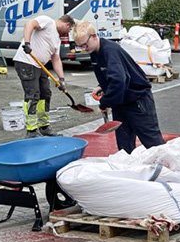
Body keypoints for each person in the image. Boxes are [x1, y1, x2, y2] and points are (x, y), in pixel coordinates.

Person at [72, 21, 165, 154]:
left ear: (93, 36)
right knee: (124, 144)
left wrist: (105, 103)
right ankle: (128, 169)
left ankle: (167, 169)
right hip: (121, 102)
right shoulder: (94, 52)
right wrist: (102, 87)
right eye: (80, 46)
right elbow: (111, 75)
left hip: (137, 100)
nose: (84, 48)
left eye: (85, 45)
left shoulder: (110, 50)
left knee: (152, 141)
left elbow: (119, 80)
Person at [14, 14, 75, 138]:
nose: (67, 33)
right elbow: (30, 24)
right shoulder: (48, 22)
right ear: (67, 24)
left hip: (39, 65)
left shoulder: (57, 39)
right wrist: (27, 42)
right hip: (27, 61)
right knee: (33, 95)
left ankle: (44, 126)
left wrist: (61, 79)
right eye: (69, 30)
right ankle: (31, 131)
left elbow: (56, 59)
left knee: (45, 94)